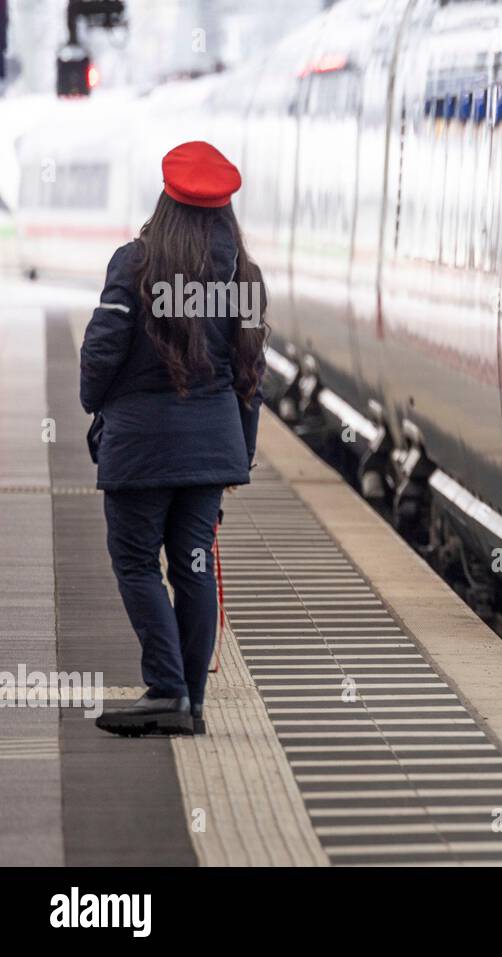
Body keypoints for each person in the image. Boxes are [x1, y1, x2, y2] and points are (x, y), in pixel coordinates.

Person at [80, 141, 268, 737]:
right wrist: (240, 453)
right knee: (192, 567)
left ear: (164, 203)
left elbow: (101, 353)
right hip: (210, 449)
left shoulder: (133, 265)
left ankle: (167, 692)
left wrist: (95, 402)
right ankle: (188, 701)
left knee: (135, 561)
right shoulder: (244, 277)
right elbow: (250, 375)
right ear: (224, 213)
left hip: (141, 449)